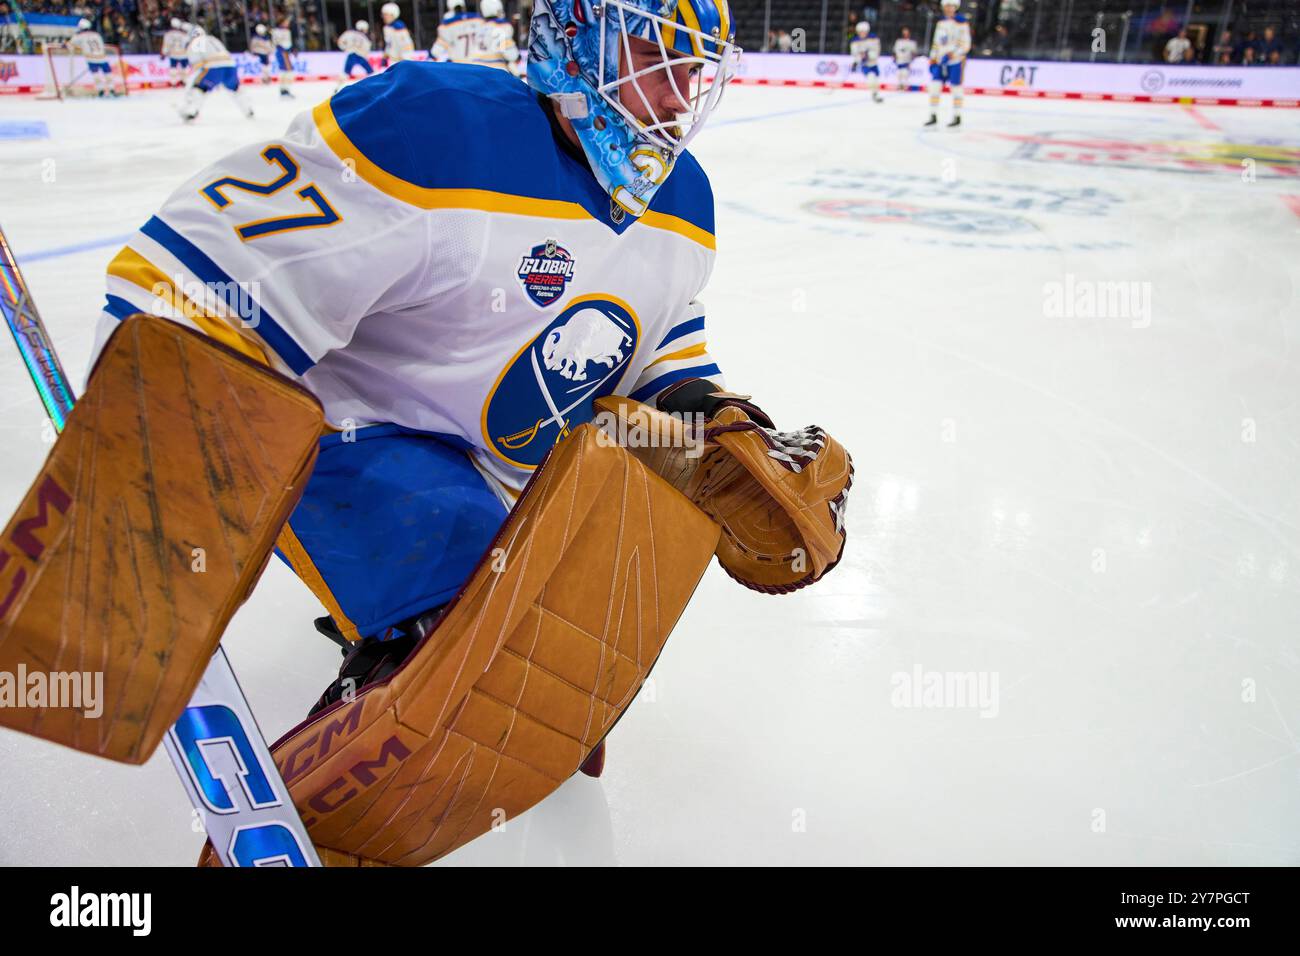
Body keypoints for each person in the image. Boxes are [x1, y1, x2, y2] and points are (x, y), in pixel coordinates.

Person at [93, 0, 816, 716]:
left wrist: (721, 419)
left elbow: (660, 348)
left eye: (696, 72)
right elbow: (209, 269)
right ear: (579, 36)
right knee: (460, 653)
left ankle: (412, 614)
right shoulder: (436, 128)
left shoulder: (684, 199)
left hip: (515, 482)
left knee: (548, 660)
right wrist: (155, 420)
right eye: (658, 60)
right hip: (357, 432)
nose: (680, 96)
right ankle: (398, 650)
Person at [179, 24, 253, 121]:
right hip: (230, 65)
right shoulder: (213, 39)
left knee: (199, 88)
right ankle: (248, 110)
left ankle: (192, 111)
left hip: (213, 68)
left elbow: (196, 64)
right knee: (236, 89)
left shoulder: (195, 43)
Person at [926, 0, 970, 128]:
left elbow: (966, 43)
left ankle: (957, 116)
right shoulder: (941, 23)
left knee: (956, 88)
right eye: (946, 6)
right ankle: (933, 115)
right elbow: (936, 42)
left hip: (955, 61)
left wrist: (955, 53)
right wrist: (933, 56)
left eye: (951, 6)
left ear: (955, 7)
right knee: (935, 87)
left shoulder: (962, 23)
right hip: (940, 61)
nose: (948, 8)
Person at [69, 17, 120, 97]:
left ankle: (101, 91)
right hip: (102, 57)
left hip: (91, 58)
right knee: (108, 74)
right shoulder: (97, 34)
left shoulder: (79, 36)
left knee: (96, 75)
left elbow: (71, 43)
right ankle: (112, 89)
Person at [473, 0, 523, 74]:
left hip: (479, 70)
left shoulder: (479, 29)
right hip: (496, 71)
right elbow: (512, 55)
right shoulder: (499, 28)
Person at [336, 19, 375, 89]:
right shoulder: (366, 38)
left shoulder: (349, 33)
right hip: (361, 56)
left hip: (351, 55)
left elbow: (340, 42)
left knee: (345, 73)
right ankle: (374, 87)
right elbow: (367, 50)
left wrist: (345, 48)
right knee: (371, 72)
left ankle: (337, 88)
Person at [849, 21, 882, 103]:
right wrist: (856, 62)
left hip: (873, 63)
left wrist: (868, 55)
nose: (862, 33)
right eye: (860, 32)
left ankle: (875, 93)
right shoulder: (855, 41)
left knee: (875, 80)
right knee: (871, 78)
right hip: (865, 65)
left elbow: (877, 51)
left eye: (864, 31)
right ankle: (874, 94)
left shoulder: (873, 38)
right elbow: (855, 54)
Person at [161, 17, 190, 86]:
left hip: (173, 54)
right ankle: (184, 81)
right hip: (184, 54)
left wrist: (164, 53)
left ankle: (173, 82)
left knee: (173, 68)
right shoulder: (184, 35)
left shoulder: (168, 34)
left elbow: (166, 45)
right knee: (184, 68)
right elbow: (187, 45)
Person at [272, 17, 296, 97]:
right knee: (285, 69)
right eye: (286, 22)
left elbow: (289, 43)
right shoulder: (276, 31)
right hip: (281, 51)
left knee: (288, 70)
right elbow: (276, 42)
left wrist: (292, 50)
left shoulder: (287, 31)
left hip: (286, 51)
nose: (287, 23)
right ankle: (283, 89)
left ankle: (284, 88)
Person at [893, 26, 917, 91]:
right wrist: (895, 57)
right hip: (899, 60)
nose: (905, 34)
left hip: (907, 60)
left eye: (907, 33)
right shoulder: (899, 41)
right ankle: (899, 85)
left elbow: (914, 52)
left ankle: (905, 86)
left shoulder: (912, 42)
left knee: (905, 73)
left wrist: (912, 59)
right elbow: (895, 51)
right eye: (904, 33)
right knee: (899, 73)